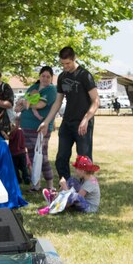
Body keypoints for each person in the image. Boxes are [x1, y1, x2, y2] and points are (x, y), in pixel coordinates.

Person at [39, 46, 98, 182]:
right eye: (62, 64)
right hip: (67, 122)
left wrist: (86, 119)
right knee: (61, 158)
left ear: (74, 59)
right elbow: (58, 102)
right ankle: (66, 187)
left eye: (68, 63)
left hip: (82, 122)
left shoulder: (85, 75)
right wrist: (46, 121)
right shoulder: (62, 77)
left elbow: (96, 101)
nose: (65, 66)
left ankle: (86, 189)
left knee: (84, 159)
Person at [17, 65, 57, 189]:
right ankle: (36, 184)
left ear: (51, 78)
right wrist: (24, 103)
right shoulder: (33, 87)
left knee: (42, 156)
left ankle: (50, 186)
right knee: (31, 156)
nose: (45, 78)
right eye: (43, 76)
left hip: (41, 127)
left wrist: (26, 104)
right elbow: (23, 101)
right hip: (26, 126)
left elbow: (40, 105)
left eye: (48, 76)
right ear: (39, 76)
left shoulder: (51, 90)